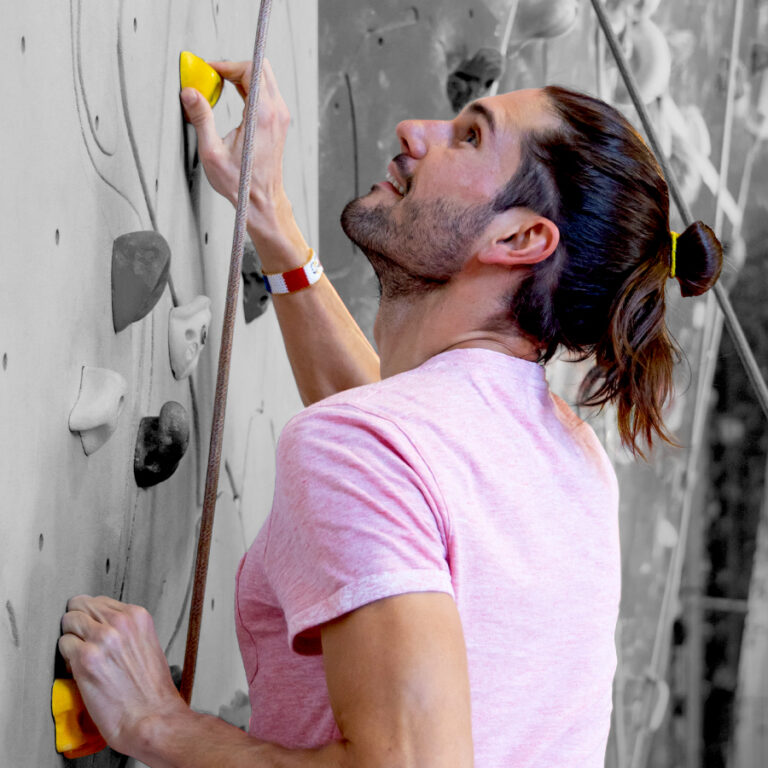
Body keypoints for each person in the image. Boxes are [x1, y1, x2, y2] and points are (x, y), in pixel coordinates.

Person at [59, 58, 722, 767]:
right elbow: (390, 456)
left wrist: (154, 722)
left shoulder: (379, 447)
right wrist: (269, 219)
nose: (415, 131)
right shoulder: (573, 464)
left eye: (469, 137)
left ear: (519, 240)